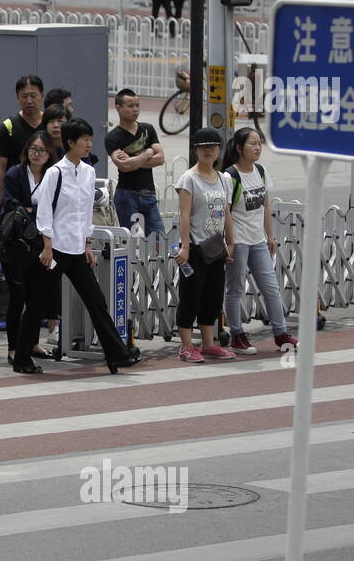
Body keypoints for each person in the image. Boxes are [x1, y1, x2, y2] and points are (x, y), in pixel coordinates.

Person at [36, 118, 140, 373]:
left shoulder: (89, 171)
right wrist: (47, 244)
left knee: (96, 301)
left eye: (90, 140)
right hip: (57, 248)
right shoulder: (55, 172)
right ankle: (21, 355)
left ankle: (117, 354)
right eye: (85, 140)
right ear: (70, 142)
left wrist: (87, 244)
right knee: (38, 301)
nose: (89, 144)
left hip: (77, 249)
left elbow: (85, 211)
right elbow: (44, 210)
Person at [221, 127, 297, 354]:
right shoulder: (229, 176)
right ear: (238, 148)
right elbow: (224, 210)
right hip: (239, 241)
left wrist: (270, 235)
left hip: (258, 240)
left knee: (271, 288)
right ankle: (237, 335)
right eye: (252, 143)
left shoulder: (261, 171)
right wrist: (231, 241)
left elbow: (266, 204)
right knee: (235, 289)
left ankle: (281, 333)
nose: (257, 147)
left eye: (259, 143)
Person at [0, 75, 46, 331]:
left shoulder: (49, 126)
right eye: (25, 96)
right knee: (9, 255)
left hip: (41, 201)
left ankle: (40, 311)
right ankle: (2, 312)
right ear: (17, 98)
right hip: (14, 201)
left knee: (38, 257)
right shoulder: (9, 126)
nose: (30, 100)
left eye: (34, 95)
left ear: (42, 96)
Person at [174, 127, 235, 363]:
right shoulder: (188, 179)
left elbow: (226, 212)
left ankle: (209, 344)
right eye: (203, 147)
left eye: (212, 146)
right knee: (191, 296)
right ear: (196, 150)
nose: (208, 151)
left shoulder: (224, 178)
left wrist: (231, 240)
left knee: (213, 296)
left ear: (219, 149)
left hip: (215, 247)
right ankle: (187, 345)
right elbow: (184, 216)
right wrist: (186, 247)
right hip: (196, 247)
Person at [2, 132, 60, 373]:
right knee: (17, 295)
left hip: (42, 242)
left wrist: (33, 209)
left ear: (50, 154)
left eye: (42, 150)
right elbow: (9, 203)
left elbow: (56, 206)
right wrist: (33, 210)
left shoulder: (53, 175)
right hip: (16, 244)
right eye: (33, 149)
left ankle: (32, 343)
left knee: (37, 295)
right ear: (27, 151)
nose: (37, 154)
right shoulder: (15, 173)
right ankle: (14, 347)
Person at [105, 88, 166, 237]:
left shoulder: (148, 129)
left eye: (137, 105)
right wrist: (148, 152)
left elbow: (161, 158)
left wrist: (134, 160)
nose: (136, 109)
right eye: (131, 106)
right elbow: (124, 167)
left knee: (159, 238)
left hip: (149, 193)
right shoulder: (113, 137)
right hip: (127, 194)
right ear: (118, 108)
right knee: (130, 240)